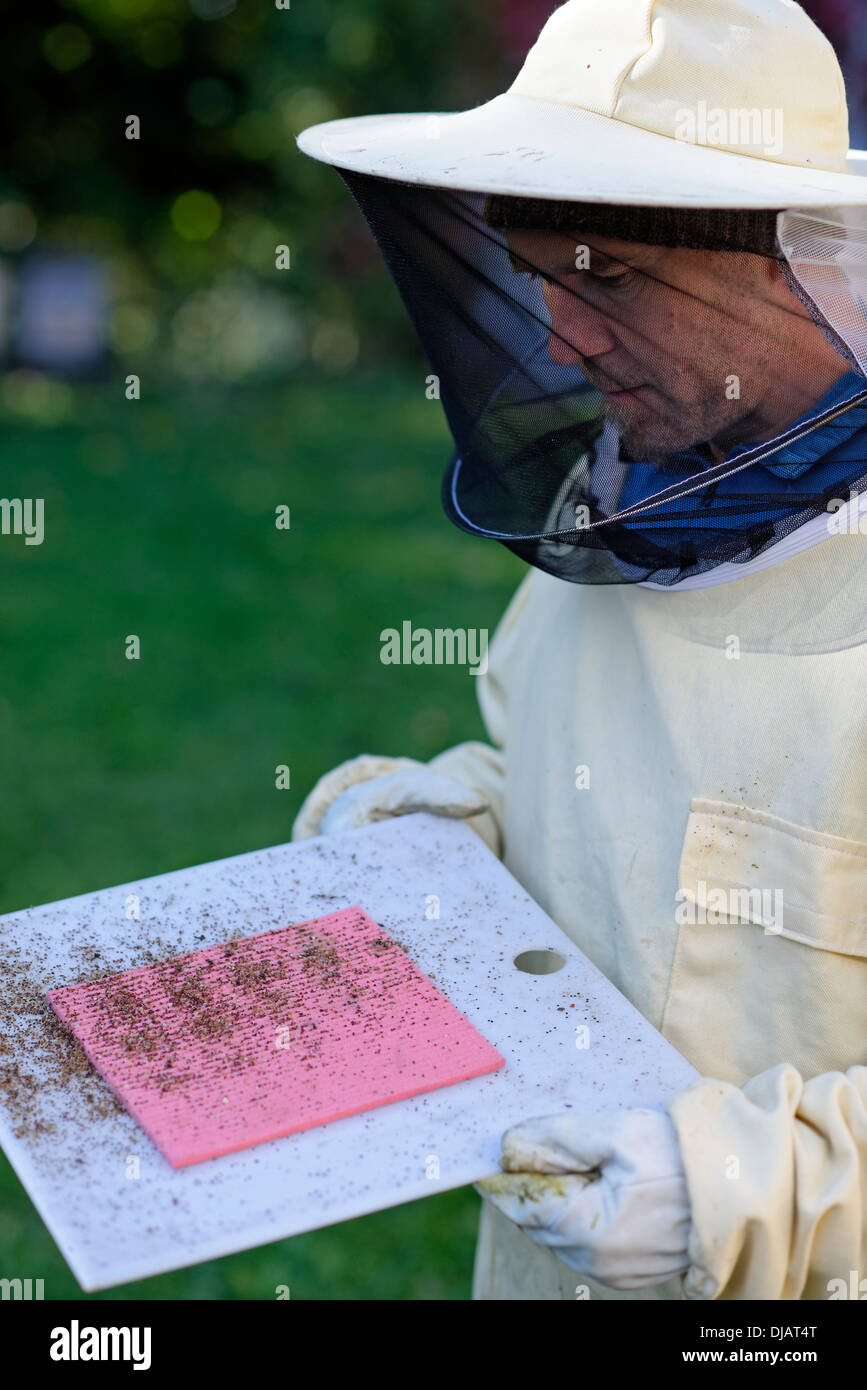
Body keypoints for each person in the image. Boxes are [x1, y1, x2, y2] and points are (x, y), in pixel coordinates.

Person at [294, 0, 867, 1300]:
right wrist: (460, 824)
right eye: (544, 277)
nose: (560, 339)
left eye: (606, 276)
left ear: (795, 257)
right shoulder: (618, 520)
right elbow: (611, 797)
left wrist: (746, 1199)